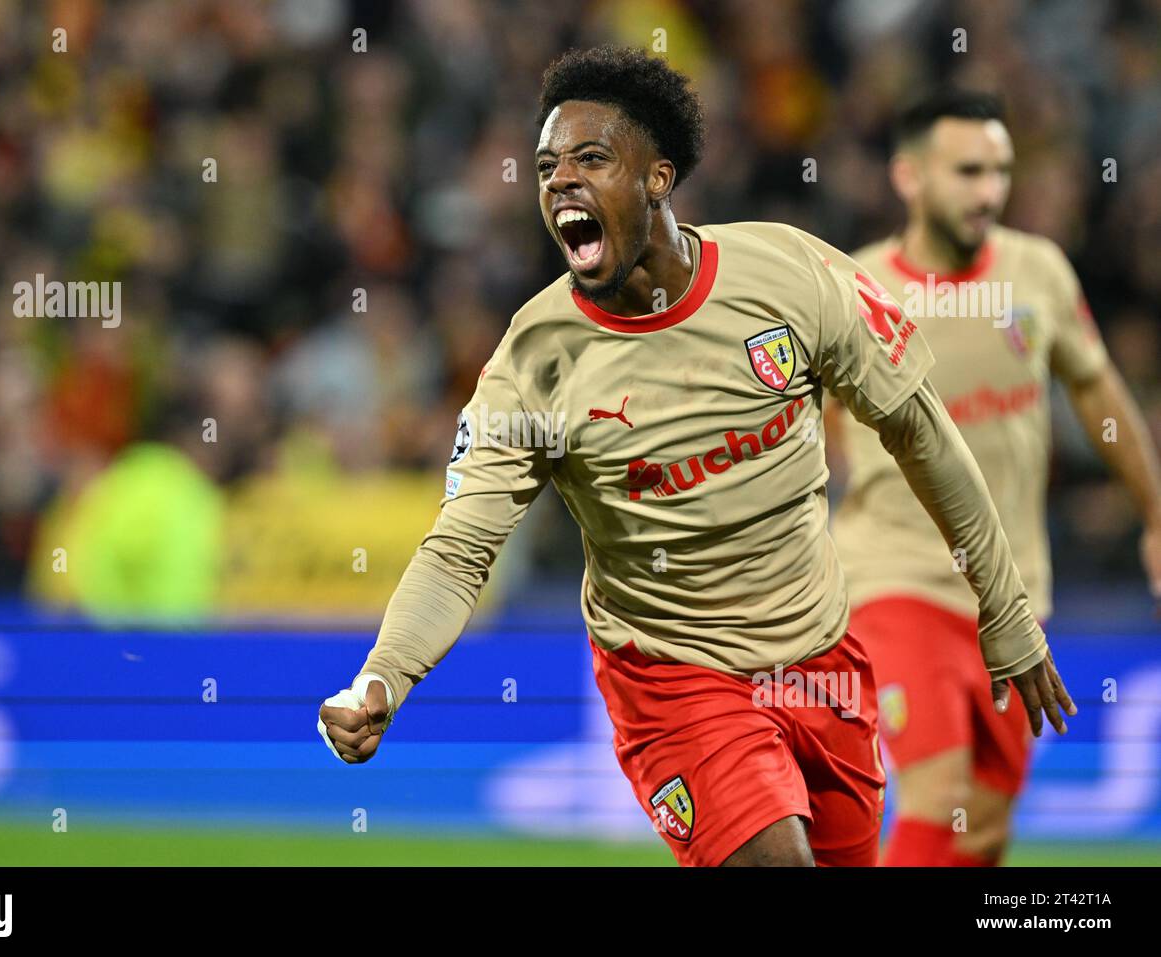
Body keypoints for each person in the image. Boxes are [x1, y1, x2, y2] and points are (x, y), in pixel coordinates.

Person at [318, 48, 1075, 867]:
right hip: (673, 679)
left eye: (590, 158)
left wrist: (1003, 608)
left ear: (657, 178)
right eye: (546, 166)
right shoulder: (533, 364)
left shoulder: (791, 274)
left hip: (821, 656)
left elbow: (920, 431)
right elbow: (461, 547)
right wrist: (385, 675)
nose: (559, 181)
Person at [826, 88, 1161, 866]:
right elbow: (802, 415)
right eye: (969, 170)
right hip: (897, 581)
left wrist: (1155, 515)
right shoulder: (858, 290)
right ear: (908, 177)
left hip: (1016, 596)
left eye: (1001, 170)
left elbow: (1096, 387)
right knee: (938, 800)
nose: (990, 190)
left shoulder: (1037, 271)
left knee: (981, 826)